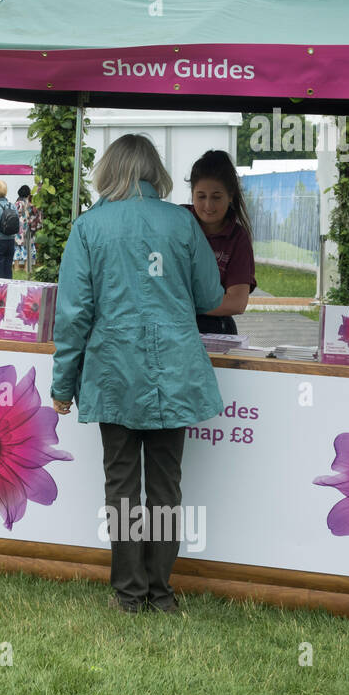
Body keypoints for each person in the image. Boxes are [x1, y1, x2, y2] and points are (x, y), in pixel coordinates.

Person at [50, 134, 224, 615]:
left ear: (109, 169)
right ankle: (161, 593)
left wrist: (63, 385)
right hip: (174, 367)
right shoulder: (182, 223)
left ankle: (130, 593)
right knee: (166, 484)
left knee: (122, 483)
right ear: (155, 172)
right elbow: (210, 295)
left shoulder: (89, 228)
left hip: (113, 372)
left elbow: (73, 315)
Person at [186, 149, 257, 335]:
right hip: (174, 330)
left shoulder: (238, 239)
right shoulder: (176, 222)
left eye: (216, 197)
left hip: (217, 331)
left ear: (230, 195)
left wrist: (182, 305)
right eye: (201, 196)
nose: (208, 206)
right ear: (192, 194)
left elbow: (237, 303)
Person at [14, 184, 33, 264]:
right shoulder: (28, 204)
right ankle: (25, 267)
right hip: (26, 227)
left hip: (16, 227)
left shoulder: (16, 203)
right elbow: (30, 216)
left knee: (16, 247)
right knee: (26, 247)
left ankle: (16, 267)